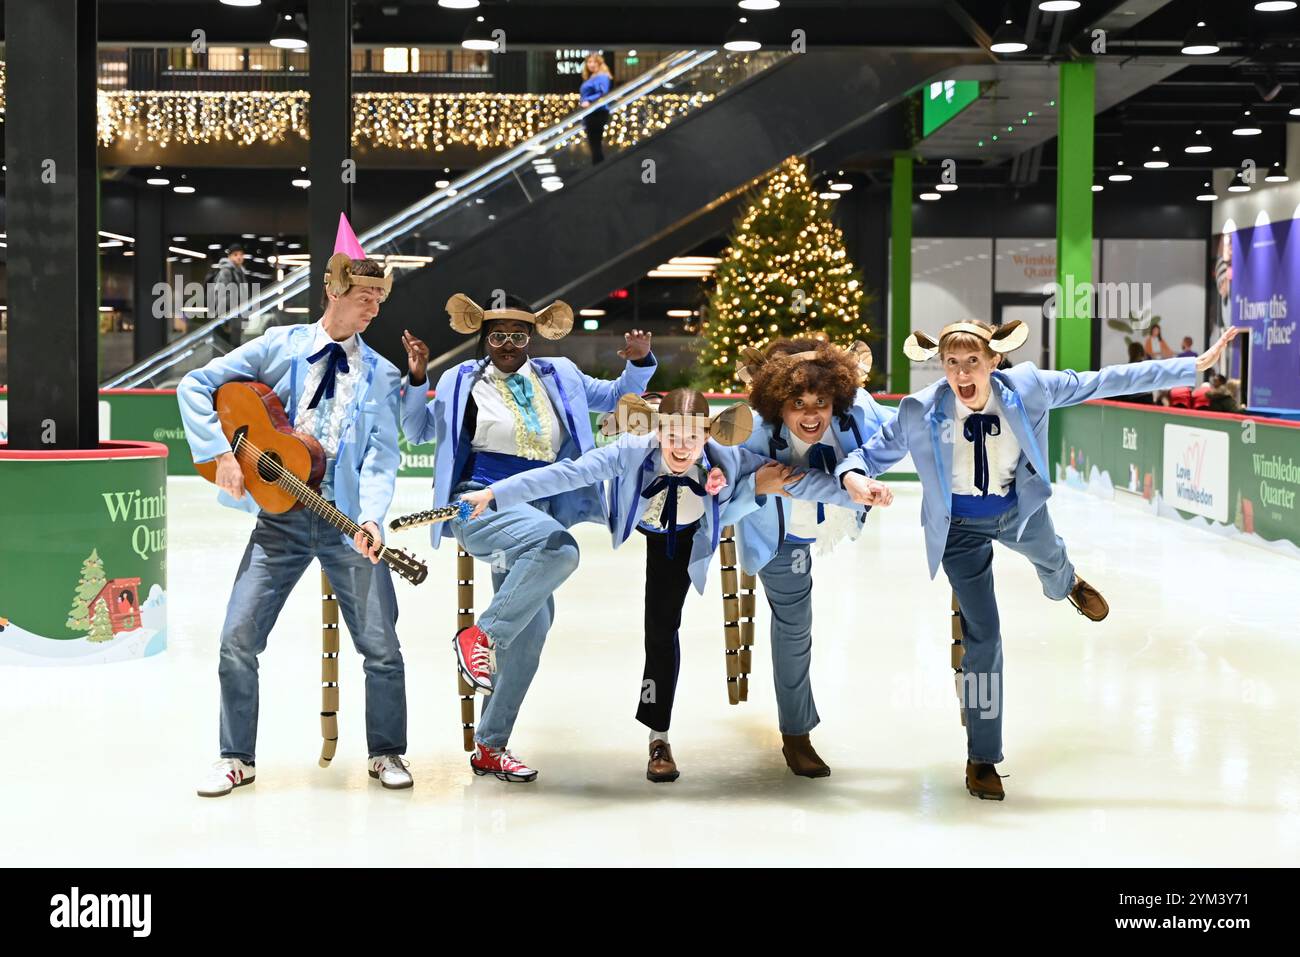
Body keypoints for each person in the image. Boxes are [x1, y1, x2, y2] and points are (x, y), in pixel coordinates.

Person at [837, 319, 1241, 801]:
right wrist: (855, 480)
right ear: (940, 366)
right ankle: (982, 756)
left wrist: (1190, 366)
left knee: (1053, 564)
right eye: (951, 363)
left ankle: (1066, 582)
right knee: (983, 637)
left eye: (972, 361)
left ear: (994, 361)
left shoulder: (1030, 388)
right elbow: (864, 456)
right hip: (959, 532)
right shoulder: (920, 411)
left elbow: (1105, 380)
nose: (962, 373)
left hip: (1019, 515)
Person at [459, 389, 883, 783]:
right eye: (673, 435)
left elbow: (801, 481)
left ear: (708, 433)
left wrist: (857, 493)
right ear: (658, 430)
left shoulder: (729, 457)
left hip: (690, 535)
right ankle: (650, 735)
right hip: (649, 525)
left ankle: (683, 735)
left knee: (668, 628)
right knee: (631, 611)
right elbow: (566, 474)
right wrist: (494, 495)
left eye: (692, 437)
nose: (682, 447)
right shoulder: (631, 451)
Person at [178, 213, 413, 797]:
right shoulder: (279, 346)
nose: (373, 309)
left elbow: (383, 458)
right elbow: (195, 385)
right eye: (364, 296)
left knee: (381, 646)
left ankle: (386, 752)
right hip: (278, 520)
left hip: (345, 523)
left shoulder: (381, 375)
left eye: (379, 299)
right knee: (237, 638)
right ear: (334, 291)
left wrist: (374, 517)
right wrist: (221, 455)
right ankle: (236, 757)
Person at [401, 293, 656, 783]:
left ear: (531, 338)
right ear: (484, 337)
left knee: (532, 632)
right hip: (480, 504)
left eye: (518, 336)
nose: (508, 345)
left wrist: (641, 362)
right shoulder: (461, 380)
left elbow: (616, 393)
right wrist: (417, 377)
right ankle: (480, 636)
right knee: (558, 548)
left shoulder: (559, 375)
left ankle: (490, 747)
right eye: (498, 336)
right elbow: (414, 430)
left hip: (542, 506)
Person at [732, 338, 893, 777]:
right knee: (795, 626)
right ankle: (796, 734)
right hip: (779, 537)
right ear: (775, 405)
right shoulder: (752, 434)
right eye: (797, 402)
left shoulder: (858, 415)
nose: (810, 415)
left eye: (821, 402)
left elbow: (916, 426)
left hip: (828, 521)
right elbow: (718, 496)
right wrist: (753, 487)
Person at [207, 244, 250, 346]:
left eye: (241, 254)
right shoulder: (226, 271)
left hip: (236, 317)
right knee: (227, 350)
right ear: (229, 257)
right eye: (235, 254)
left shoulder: (240, 272)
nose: (239, 257)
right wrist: (223, 318)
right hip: (228, 318)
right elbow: (220, 295)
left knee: (233, 349)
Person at [579, 53, 613, 164]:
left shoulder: (602, 76)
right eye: (589, 62)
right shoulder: (591, 77)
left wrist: (588, 100)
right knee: (594, 145)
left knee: (595, 144)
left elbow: (602, 93)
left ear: (599, 63)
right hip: (591, 113)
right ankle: (598, 168)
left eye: (594, 62)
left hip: (598, 113)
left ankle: (599, 170)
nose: (591, 64)